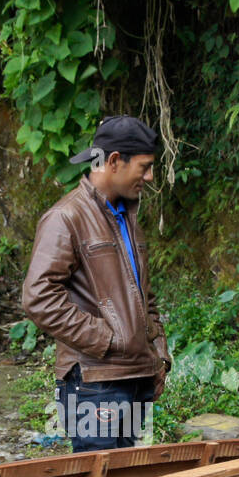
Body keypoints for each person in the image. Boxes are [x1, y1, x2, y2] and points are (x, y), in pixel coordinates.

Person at [21, 115, 172, 452]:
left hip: (133, 378)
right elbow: (38, 298)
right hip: (94, 382)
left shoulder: (126, 217)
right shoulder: (66, 218)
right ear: (115, 161)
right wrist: (108, 338)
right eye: (145, 167)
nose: (149, 177)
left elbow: (143, 296)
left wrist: (156, 352)